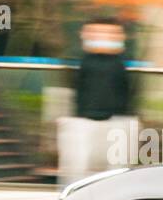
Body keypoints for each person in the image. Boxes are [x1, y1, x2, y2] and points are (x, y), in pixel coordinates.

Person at [58, 18, 137, 185]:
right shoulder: (80, 60)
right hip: (84, 122)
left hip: (116, 122)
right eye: (95, 33)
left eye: (109, 34)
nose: (102, 38)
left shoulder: (120, 63)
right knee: (78, 171)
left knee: (116, 173)